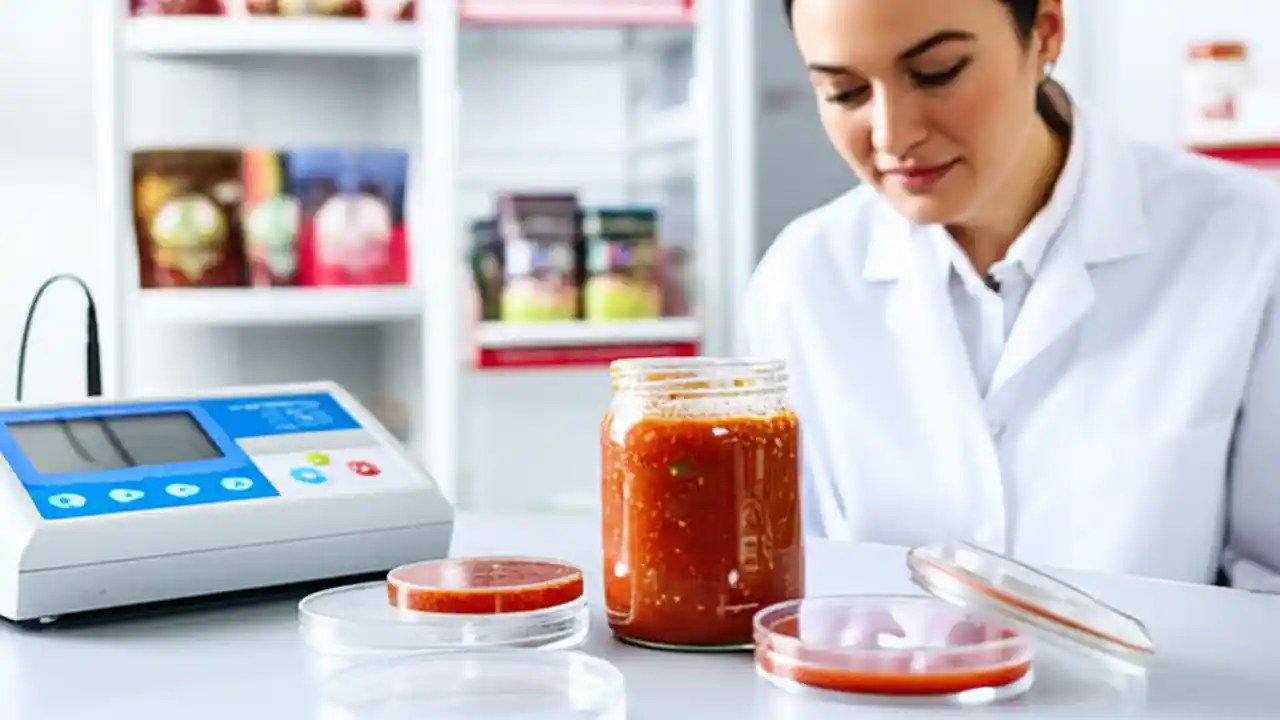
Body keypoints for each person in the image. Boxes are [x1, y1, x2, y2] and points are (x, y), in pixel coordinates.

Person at [745, 0, 1280, 589]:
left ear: (1045, 32)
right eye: (845, 92)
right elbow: (796, 584)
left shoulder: (1249, 240)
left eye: (938, 72)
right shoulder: (803, 280)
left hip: (1179, 656)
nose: (893, 135)